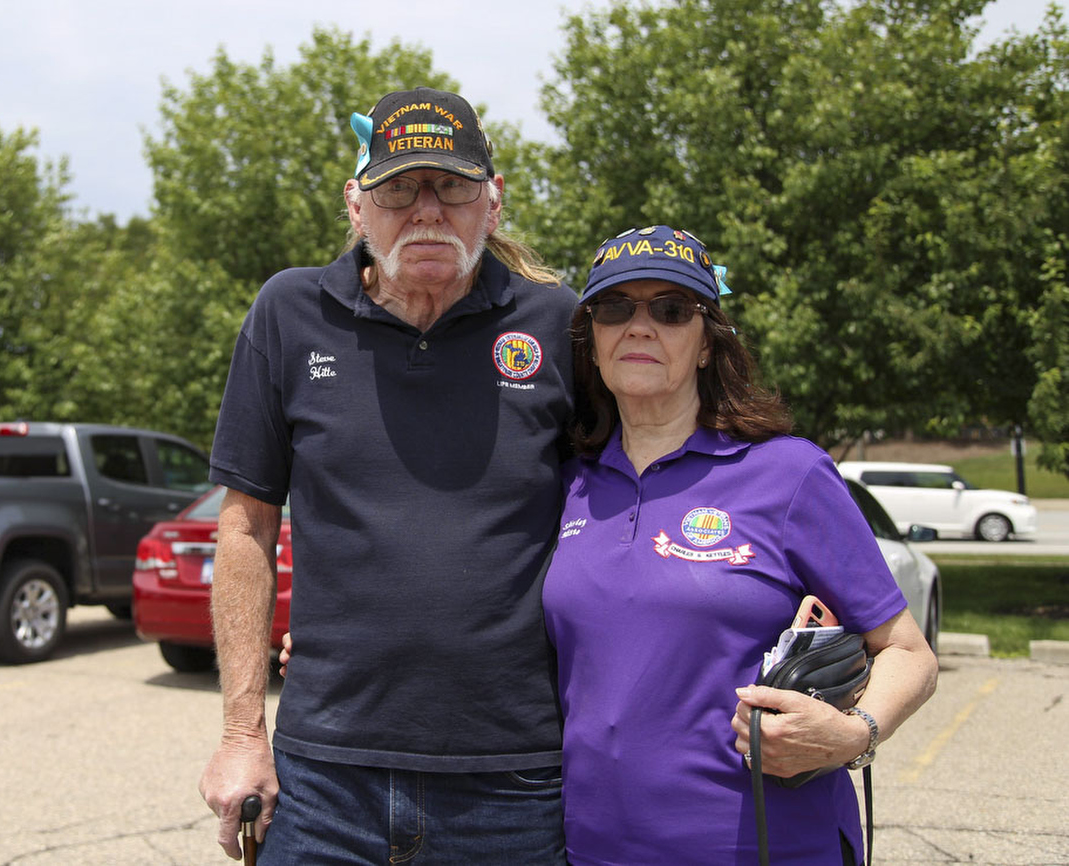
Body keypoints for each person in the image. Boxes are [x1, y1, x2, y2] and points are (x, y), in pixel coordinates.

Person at [199, 86, 576, 863]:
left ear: (493, 204)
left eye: (454, 187)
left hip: (515, 781)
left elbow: (627, 502)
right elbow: (244, 528)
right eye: (399, 188)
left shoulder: (559, 324)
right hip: (323, 780)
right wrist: (242, 734)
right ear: (357, 205)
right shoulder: (288, 313)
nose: (427, 210)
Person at [542, 225, 939, 864]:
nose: (640, 327)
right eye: (616, 309)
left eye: (671, 310)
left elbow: (907, 652)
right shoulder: (567, 483)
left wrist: (851, 734)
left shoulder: (788, 474)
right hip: (595, 847)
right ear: (593, 343)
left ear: (705, 345)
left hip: (771, 844)